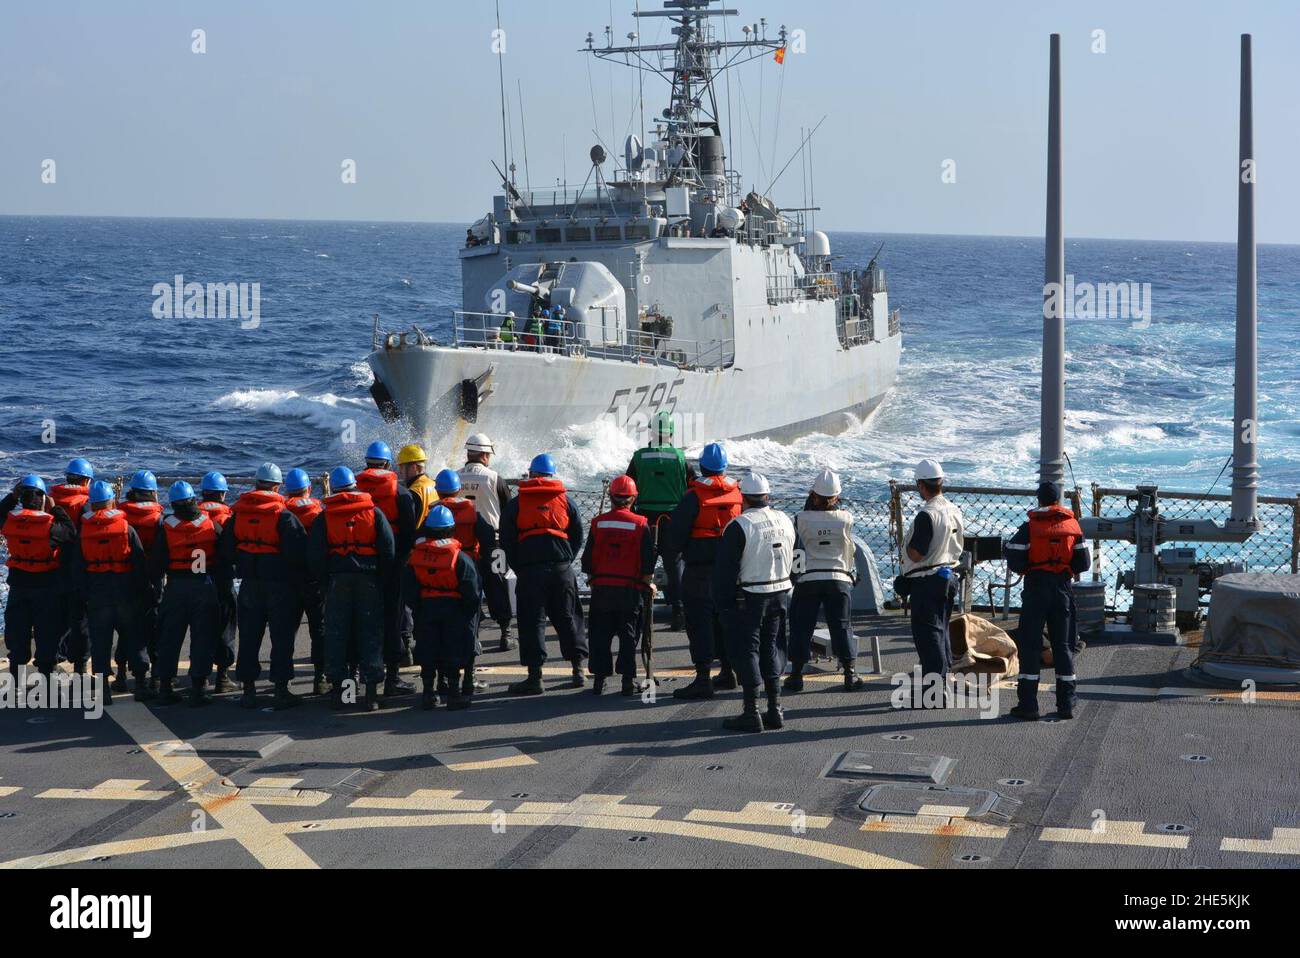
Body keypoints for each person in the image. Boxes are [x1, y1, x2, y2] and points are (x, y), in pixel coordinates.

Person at [220, 463, 308, 711]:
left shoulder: (238, 514)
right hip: (280, 587)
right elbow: (298, 554)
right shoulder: (284, 516)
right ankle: (281, 690)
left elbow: (226, 551)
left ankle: (248, 690)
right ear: (278, 486)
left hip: (249, 585)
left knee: (249, 637)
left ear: (256, 484)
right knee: (281, 638)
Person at [307, 467, 396, 712]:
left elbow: (315, 556)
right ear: (354, 486)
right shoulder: (374, 513)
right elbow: (388, 550)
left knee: (337, 635)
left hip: (338, 582)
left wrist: (326, 582)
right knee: (370, 634)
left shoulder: (324, 517)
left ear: (333, 488)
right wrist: (382, 579)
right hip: (369, 580)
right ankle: (371, 696)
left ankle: (341, 693)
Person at [712, 474, 796, 733]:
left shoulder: (739, 526)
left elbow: (725, 571)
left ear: (742, 498)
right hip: (781, 592)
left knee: (747, 650)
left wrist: (723, 605)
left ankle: (751, 712)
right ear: (767, 496)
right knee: (771, 648)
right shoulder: (785, 520)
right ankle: (775, 708)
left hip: (751, 596)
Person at [498, 454, 587, 695]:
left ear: (532, 474)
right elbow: (578, 534)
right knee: (568, 617)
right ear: (551, 475)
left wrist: (521, 566)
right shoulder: (565, 500)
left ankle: (534, 677)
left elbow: (506, 539)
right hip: (561, 569)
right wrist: (566, 559)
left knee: (531, 622)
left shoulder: (517, 503)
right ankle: (578, 670)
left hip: (530, 572)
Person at [1004, 482, 1092, 721]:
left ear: (1039, 500)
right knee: (1063, 646)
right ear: (1058, 500)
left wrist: (1030, 568)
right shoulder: (1073, 527)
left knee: (1030, 646)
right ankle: (1066, 703)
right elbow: (1083, 563)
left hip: (1036, 588)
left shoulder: (1030, 527)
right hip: (1062, 588)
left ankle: (1028, 705)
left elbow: (1014, 557)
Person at [667, 442, 741, 700]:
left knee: (699, 625)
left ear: (702, 466)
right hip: (731, 574)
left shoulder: (693, 498)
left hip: (698, 573)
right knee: (725, 623)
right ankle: (729, 671)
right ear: (725, 467)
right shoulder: (738, 495)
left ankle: (702, 678)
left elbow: (674, 538)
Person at [72, 480, 149, 706]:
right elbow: (140, 564)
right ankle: (141, 684)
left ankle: (104, 689)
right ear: (111, 502)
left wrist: (85, 595)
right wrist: (142, 591)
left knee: (101, 641)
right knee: (134, 637)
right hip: (125, 592)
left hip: (98, 595)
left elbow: (78, 569)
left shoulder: (84, 532)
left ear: (92, 505)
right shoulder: (126, 529)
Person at [787, 469, 864, 692]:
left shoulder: (800, 519)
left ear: (813, 495)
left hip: (808, 578)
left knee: (802, 627)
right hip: (839, 578)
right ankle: (850, 673)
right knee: (841, 626)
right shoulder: (846, 518)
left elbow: (797, 546)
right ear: (837, 497)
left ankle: (796, 675)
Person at [152, 482, 228, 707]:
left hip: (176, 587)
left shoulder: (165, 527)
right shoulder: (211, 525)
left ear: (173, 504)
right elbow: (224, 559)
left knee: (169, 638)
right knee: (202, 637)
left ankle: (165, 687)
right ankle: (199, 688)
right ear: (194, 500)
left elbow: (157, 564)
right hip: (203, 586)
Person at [898, 460, 965, 708]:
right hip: (948, 576)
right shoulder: (954, 509)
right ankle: (943, 683)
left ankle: (935, 692)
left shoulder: (927, 515)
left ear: (920, 486)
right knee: (941, 631)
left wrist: (906, 555)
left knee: (929, 637)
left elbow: (918, 553)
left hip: (928, 581)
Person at [581, 476, 655, 696]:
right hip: (630, 591)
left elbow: (587, 562)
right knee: (629, 636)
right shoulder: (641, 524)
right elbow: (647, 565)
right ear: (633, 498)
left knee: (600, 635)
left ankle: (600, 680)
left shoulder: (598, 523)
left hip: (602, 589)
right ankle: (627, 681)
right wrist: (647, 586)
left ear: (611, 497)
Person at [405, 505, 482, 711]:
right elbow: (472, 592)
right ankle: (454, 694)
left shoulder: (416, 558)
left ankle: (429, 693)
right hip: (454, 610)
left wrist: (419, 608)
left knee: (427, 648)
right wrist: (466, 612)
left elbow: (409, 590)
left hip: (426, 609)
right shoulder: (461, 559)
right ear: (451, 530)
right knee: (454, 649)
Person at [1, 476, 78, 680]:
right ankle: (45, 677)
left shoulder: (11, 520)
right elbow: (71, 532)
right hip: (46, 585)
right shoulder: (50, 525)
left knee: (17, 630)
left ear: (21, 497)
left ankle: (16, 676)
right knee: (47, 632)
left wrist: (11, 498)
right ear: (43, 499)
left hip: (18, 584)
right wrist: (56, 509)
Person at [358, 441, 417, 695]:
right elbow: (409, 533)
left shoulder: (354, 490)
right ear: (388, 464)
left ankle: (364, 677)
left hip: (361, 565)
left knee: (364, 620)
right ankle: (392, 679)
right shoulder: (401, 493)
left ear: (367, 464)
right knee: (393, 620)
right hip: (392, 566)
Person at [625, 411, 694, 630]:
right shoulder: (681, 458)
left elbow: (628, 486)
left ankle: (638, 614)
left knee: (643, 565)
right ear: (672, 433)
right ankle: (679, 613)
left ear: (652, 432)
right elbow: (693, 487)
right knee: (675, 567)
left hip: (645, 518)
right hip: (673, 520)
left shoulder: (639, 457)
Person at [433, 469, 494, 699]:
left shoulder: (433, 514)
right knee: (470, 626)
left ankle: (440, 682)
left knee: (439, 629)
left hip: (440, 577)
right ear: (459, 490)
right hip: (469, 572)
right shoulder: (472, 512)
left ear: (437, 491)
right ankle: (469, 678)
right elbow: (488, 540)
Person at [457, 434, 515, 653]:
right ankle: (506, 633)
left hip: (464, 543)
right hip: (494, 542)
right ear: (484, 454)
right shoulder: (494, 477)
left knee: (468, 588)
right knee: (497, 585)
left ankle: (474, 636)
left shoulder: (455, 477)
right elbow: (509, 510)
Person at [284, 469, 330, 696]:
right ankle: (320, 679)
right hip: (314, 582)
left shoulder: (280, 514)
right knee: (319, 630)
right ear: (309, 489)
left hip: (287, 582)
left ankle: (282, 683)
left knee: (285, 632)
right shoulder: (319, 514)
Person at [119, 471, 165, 691]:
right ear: (153, 493)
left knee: (126, 627)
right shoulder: (159, 520)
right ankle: (155, 676)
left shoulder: (120, 516)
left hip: (125, 578)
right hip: (152, 580)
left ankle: (121, 675)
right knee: (154, 628)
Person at [50, 458, 95, 674]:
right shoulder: (86, 503)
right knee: (80, 619)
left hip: (53, 565)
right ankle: (80, 665)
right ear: (86, 480)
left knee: (55, 615)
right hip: (79, 566)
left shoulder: (51, 500)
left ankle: (52, 660)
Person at [198, 471, 237, 692]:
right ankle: (222, 677)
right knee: (225, 628)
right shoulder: (228, 518)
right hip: (222, 581)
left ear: (203, 494)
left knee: (200, 629)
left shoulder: (193, 517)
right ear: (222, 495)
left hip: (198, 579)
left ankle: (200, 679)